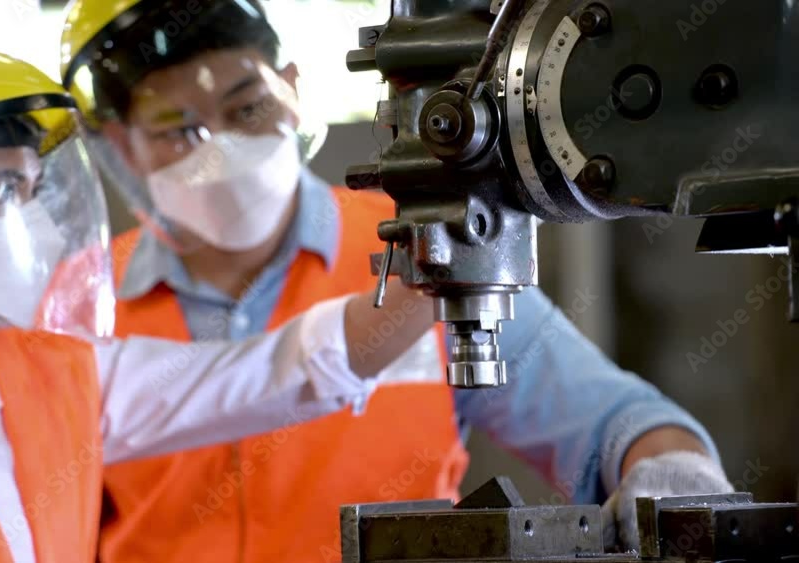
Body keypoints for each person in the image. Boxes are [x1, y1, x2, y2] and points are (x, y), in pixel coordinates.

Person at [59, 1, 736, 561]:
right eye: (178, 130)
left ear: (292, 87)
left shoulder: (429, 250)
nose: (220, 149)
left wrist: (672, 474)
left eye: (245, 109)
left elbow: (614, 421)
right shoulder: (80, 305)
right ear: (120, 147)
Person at [0, 45, 441, 563]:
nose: (31, 222)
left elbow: (285, 370)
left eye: (32, 191)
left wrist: (446, 258)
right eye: (0, 192)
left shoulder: (61, 374)